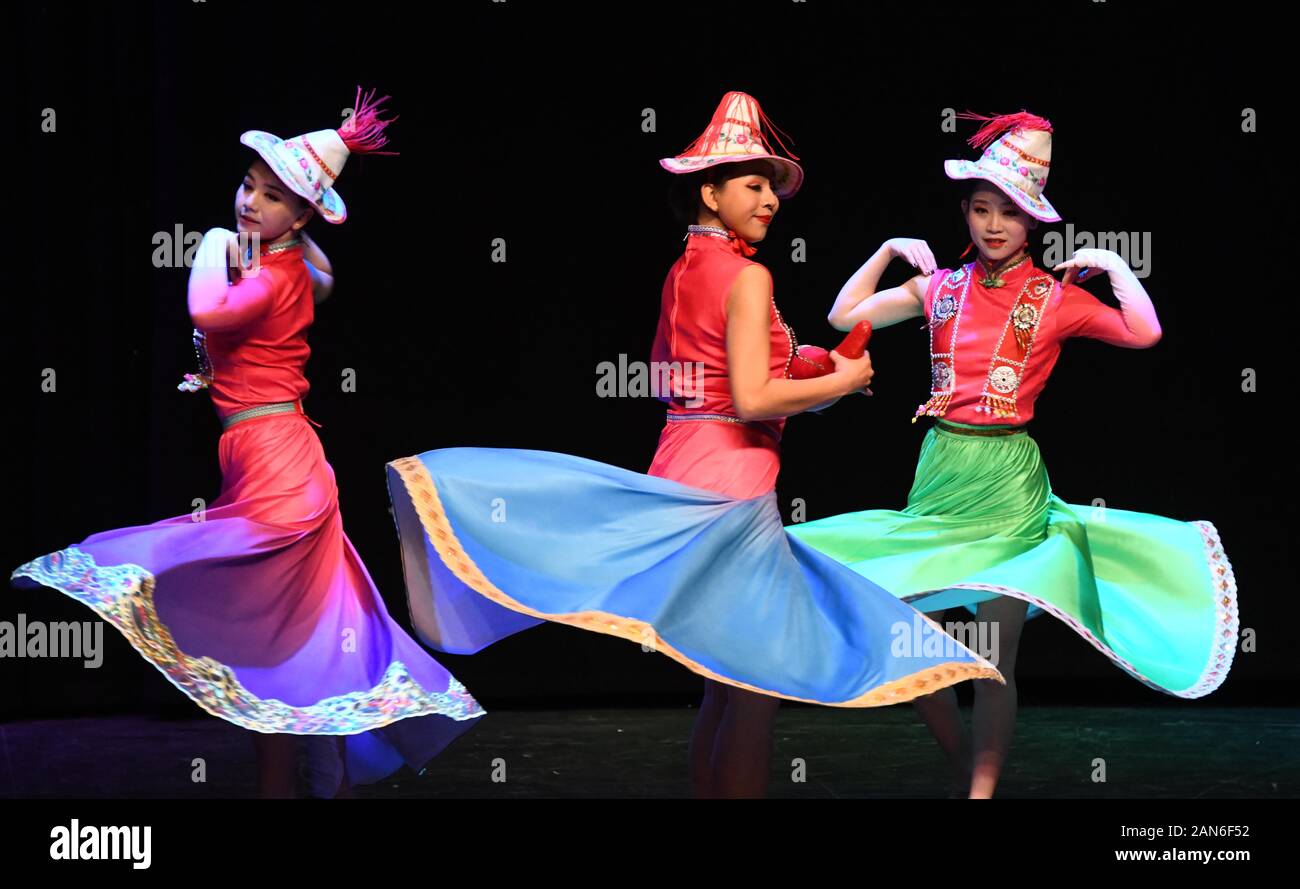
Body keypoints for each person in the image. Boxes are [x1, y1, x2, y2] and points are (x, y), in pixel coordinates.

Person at [384, 92, 1002, 799]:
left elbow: (682, 378)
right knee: (756, 688)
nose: (769, 199)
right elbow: (751, 400)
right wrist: (847, 374)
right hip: (731, 492)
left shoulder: (684, 270)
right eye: (752, 184)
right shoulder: (748, 276)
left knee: (725, 685)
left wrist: (807, 373)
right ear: (708, 191)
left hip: (681, 468)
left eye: (772, 185)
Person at [11, 88, 484, 799]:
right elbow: (325, 270)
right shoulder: (291, 264)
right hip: (267, 455)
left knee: (274, 634)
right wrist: (292, 215)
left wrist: (212, 245)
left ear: (299, 216)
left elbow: (206, 307)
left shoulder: (266, 278)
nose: (249, 204)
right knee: (293, 632)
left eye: (273, 197)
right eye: (248, 186)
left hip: (282, 464)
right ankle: (326, 759)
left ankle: (303, 772)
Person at [785, 111, 1239, 798]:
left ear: (1034, 222)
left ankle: (981, 791)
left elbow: (1144, 332)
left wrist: (1113, 265)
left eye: (1010, 211)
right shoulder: (937, 289)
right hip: (940, 474)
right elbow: (846, 318)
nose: (993, 225)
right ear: (965, 212)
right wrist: (885, 250)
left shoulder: (1054, 300)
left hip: (1009, 482)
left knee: (993, 658)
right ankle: (969, 764)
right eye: (980, 208)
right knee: (912, 644)